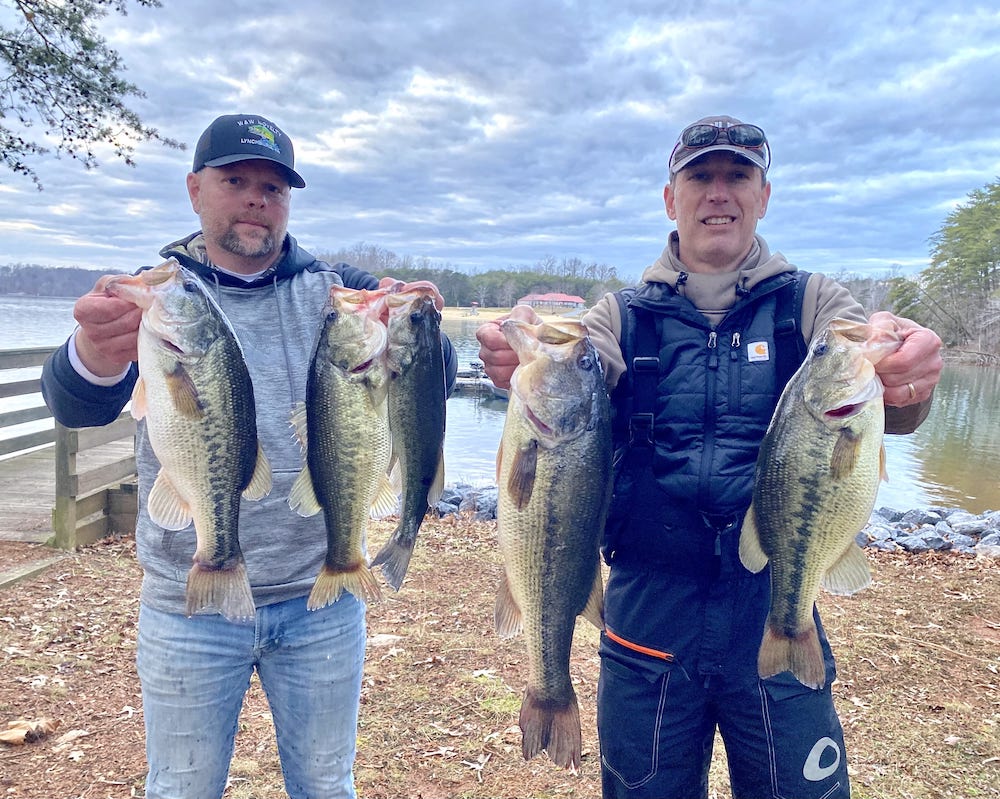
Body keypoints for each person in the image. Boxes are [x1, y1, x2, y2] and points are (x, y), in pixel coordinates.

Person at [477, 115, 943, 799]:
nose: (718, 192)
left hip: (770, 597)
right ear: (671, 198)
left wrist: (908, 376)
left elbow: (887, 394)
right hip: (648, 604)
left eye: (737, 176)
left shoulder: (814, 304)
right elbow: (578, 373)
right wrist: (519, 357)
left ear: (764, 195)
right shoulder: (618, 317)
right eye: (699, 177)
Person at [41, 113, 457, 799]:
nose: (256, 200)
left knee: (326, 785)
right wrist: (92, 353)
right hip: (186, 602)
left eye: (273, 188)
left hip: (320, 601)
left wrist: (421, 325)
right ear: (194, 189)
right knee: (180, 788)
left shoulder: (337, 291)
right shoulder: (159, 294)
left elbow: (426, 378)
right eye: (235, 181)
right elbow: (74, 403)